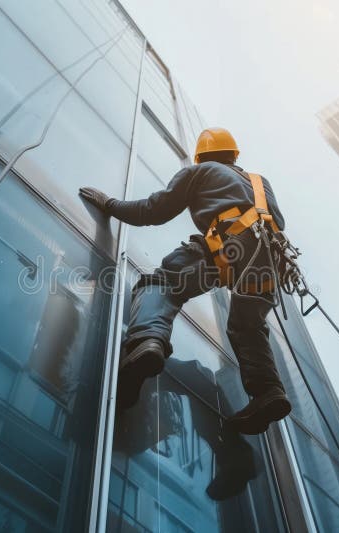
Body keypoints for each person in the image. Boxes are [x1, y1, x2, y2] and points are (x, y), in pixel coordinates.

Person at [79, 127, 291, 434]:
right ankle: (268, 391)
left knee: (161, 284)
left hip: (228, 247)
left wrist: (110, 204)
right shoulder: (260, 182)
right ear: (233, 155)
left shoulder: (199, 171)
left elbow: (154, 210)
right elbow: (276, 223)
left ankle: (147, 341)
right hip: (270, 265)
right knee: (247, 326)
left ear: (202, 155)